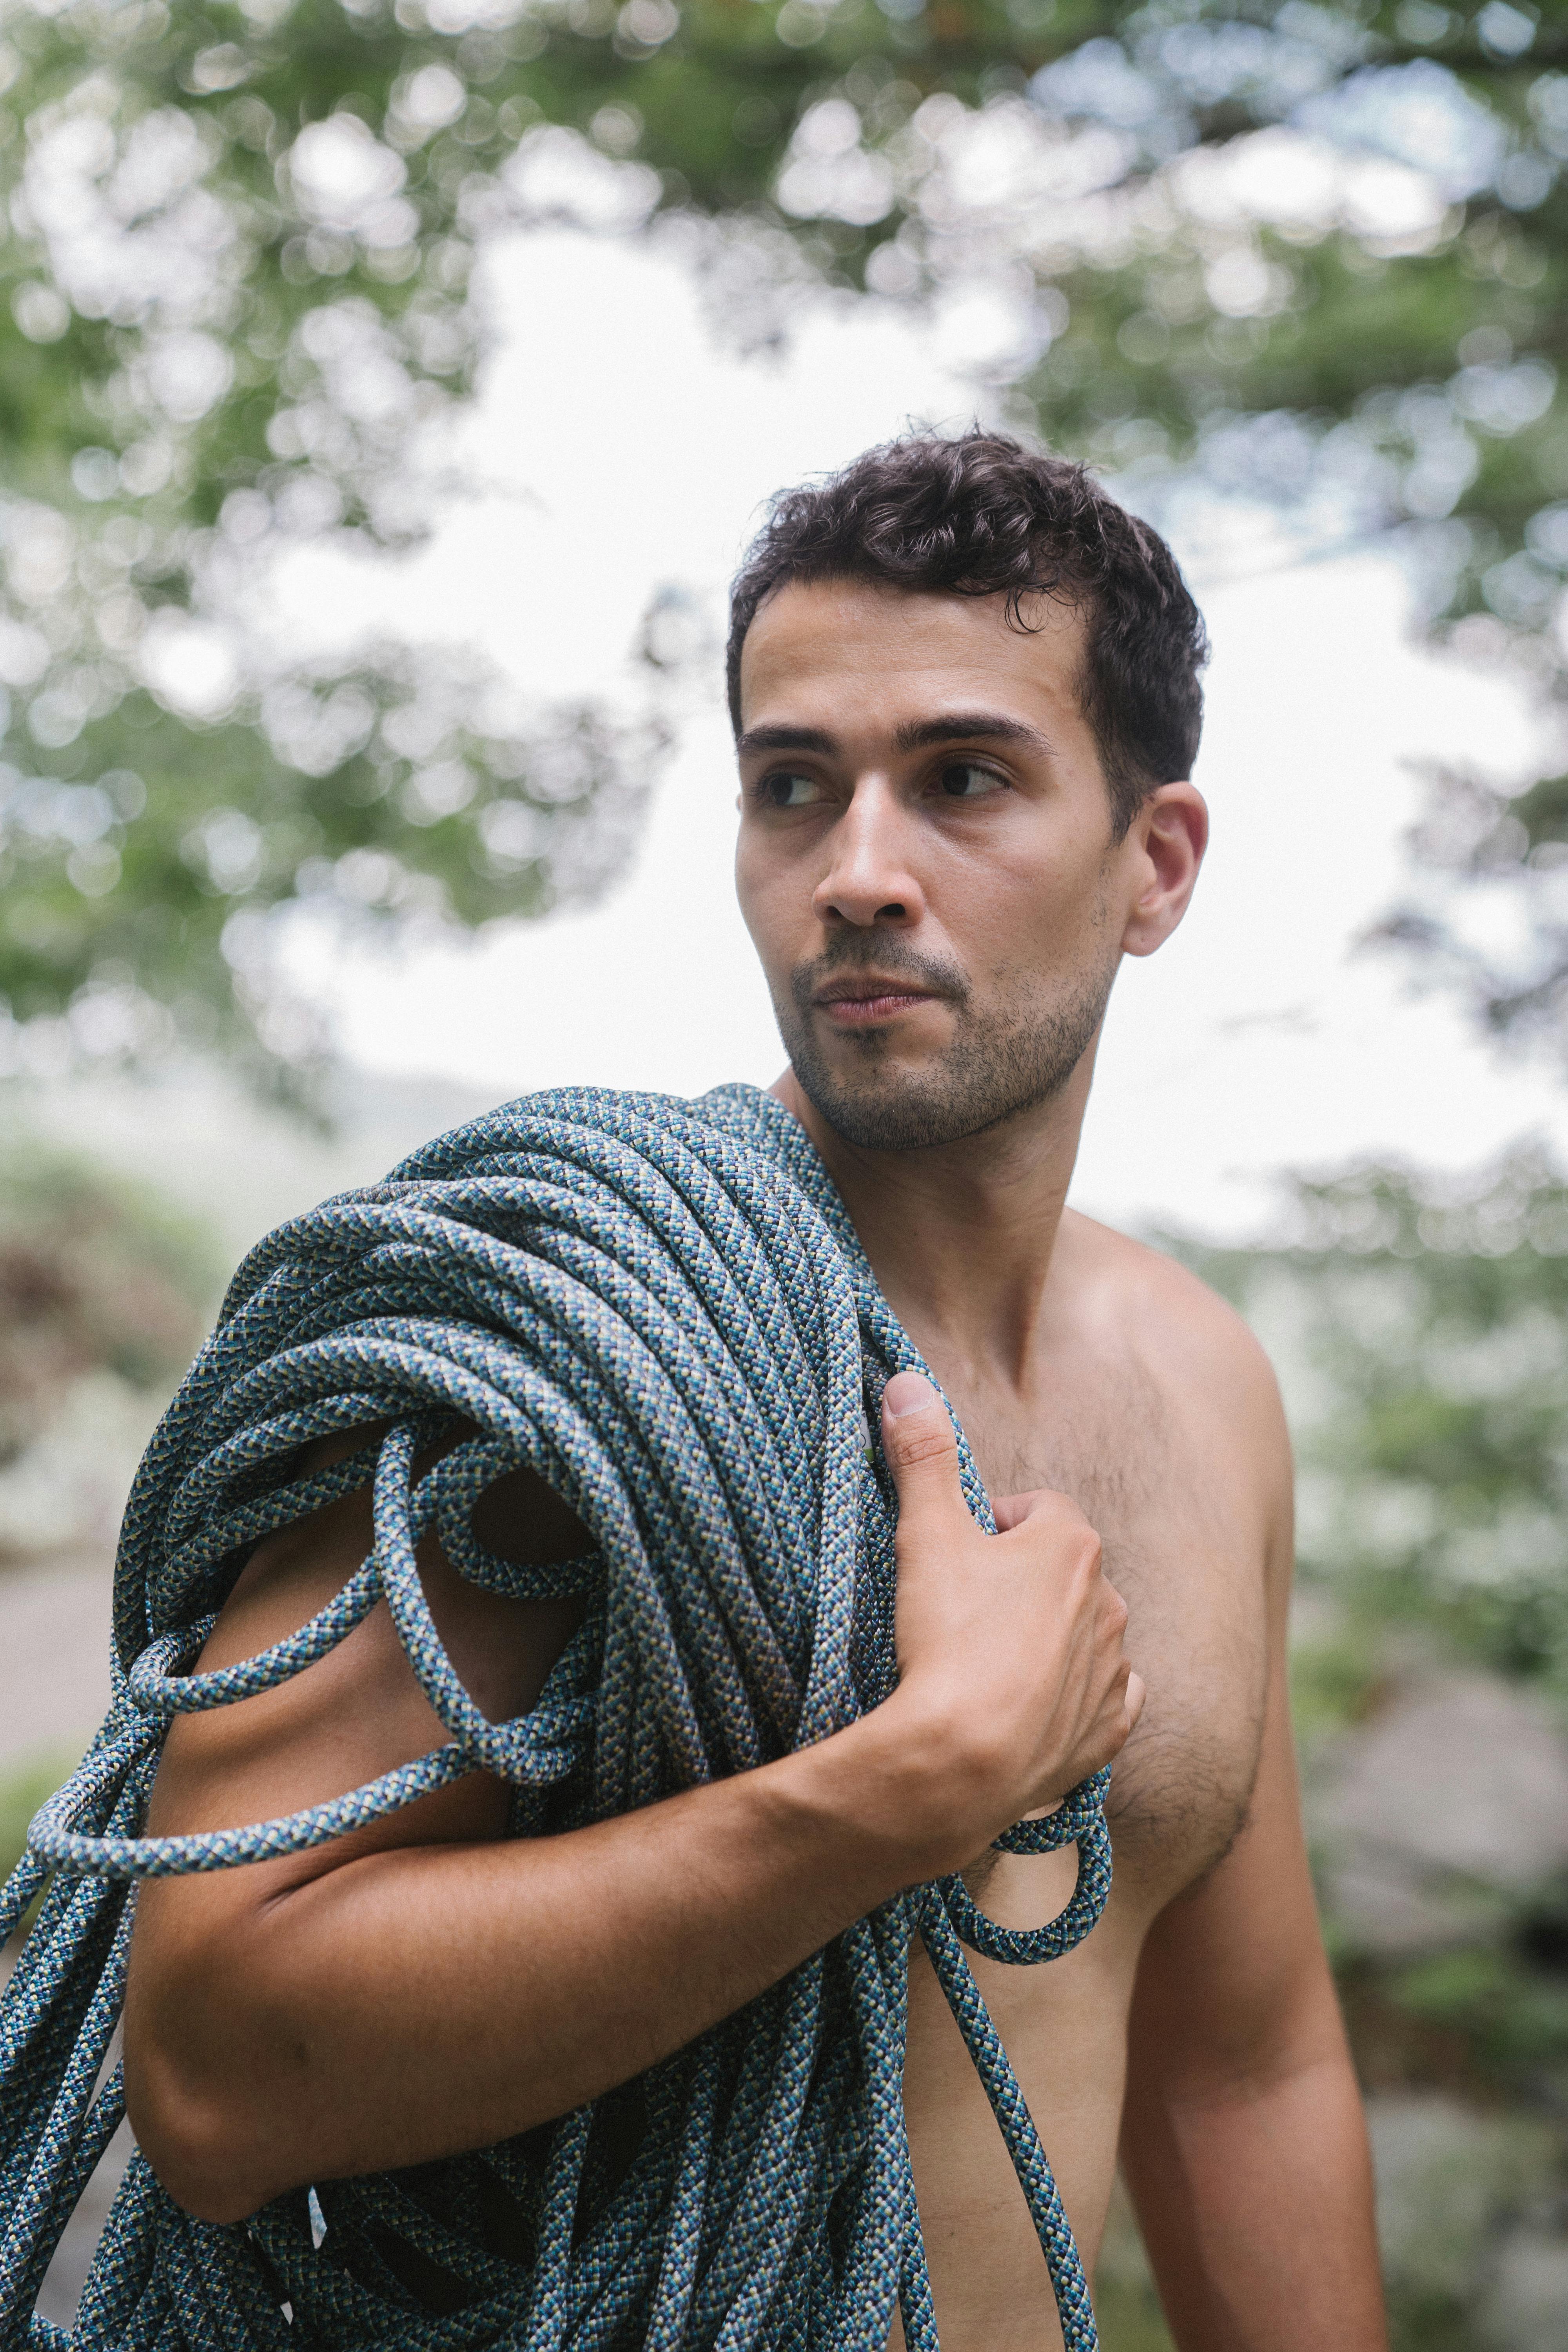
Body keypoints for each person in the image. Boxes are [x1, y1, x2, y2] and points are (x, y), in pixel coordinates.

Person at [123, 431, 1387, 2350]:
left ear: (1156, 862)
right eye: (796, 788)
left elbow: (1247, 2070)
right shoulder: (566, 1357)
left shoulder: (1204, 1393)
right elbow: (215, 2072)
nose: (858, 872)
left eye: (962, 780)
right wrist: (905, 1790)